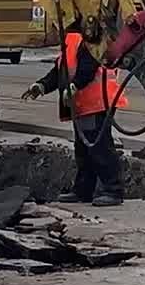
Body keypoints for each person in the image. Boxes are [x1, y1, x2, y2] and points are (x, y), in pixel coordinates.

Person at [21, 24, 129, 206]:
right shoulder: (71, 40)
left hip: (97, 101)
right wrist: (42, 86)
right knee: (83, 149)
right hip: (83, 103)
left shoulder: (90, 37)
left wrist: (75, 85)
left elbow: (88, 66)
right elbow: (60, 71)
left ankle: (113, 191)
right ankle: (83, 190)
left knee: (99, 147)